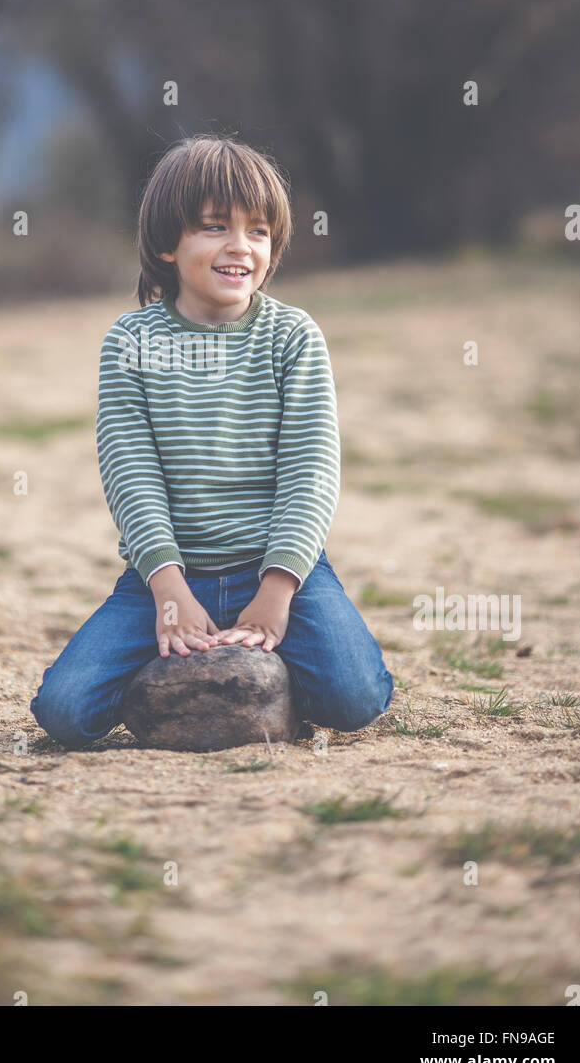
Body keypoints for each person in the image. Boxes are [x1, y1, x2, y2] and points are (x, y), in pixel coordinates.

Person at [30, 134, 393, 748]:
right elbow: (130, 472)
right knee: (64, 712)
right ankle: (176, 682)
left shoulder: (292, 337)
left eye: (258, 231)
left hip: (279, 568)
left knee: (356, 697)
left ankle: (271, 688)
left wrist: (277, 590)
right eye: (214, 228)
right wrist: (168, 589)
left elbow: (311, 472)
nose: (240, 247)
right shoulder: (131, 341)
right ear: (168, 245)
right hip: (168, 571)